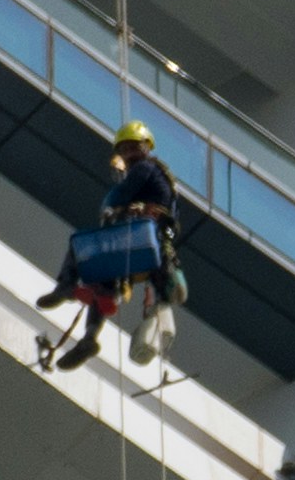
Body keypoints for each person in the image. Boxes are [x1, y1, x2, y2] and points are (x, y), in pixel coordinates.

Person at [38, 122, 192, 377]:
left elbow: (120, 196)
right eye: (125, 149)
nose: (130, 153)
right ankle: (89, 337)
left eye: (133, 147)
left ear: (146, 148)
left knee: (79, 245)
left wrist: (114, 201)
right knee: (103, 288)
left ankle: (65, 286)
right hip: (143, 246)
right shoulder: (161, 177)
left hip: (137, 237)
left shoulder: (145, 168)